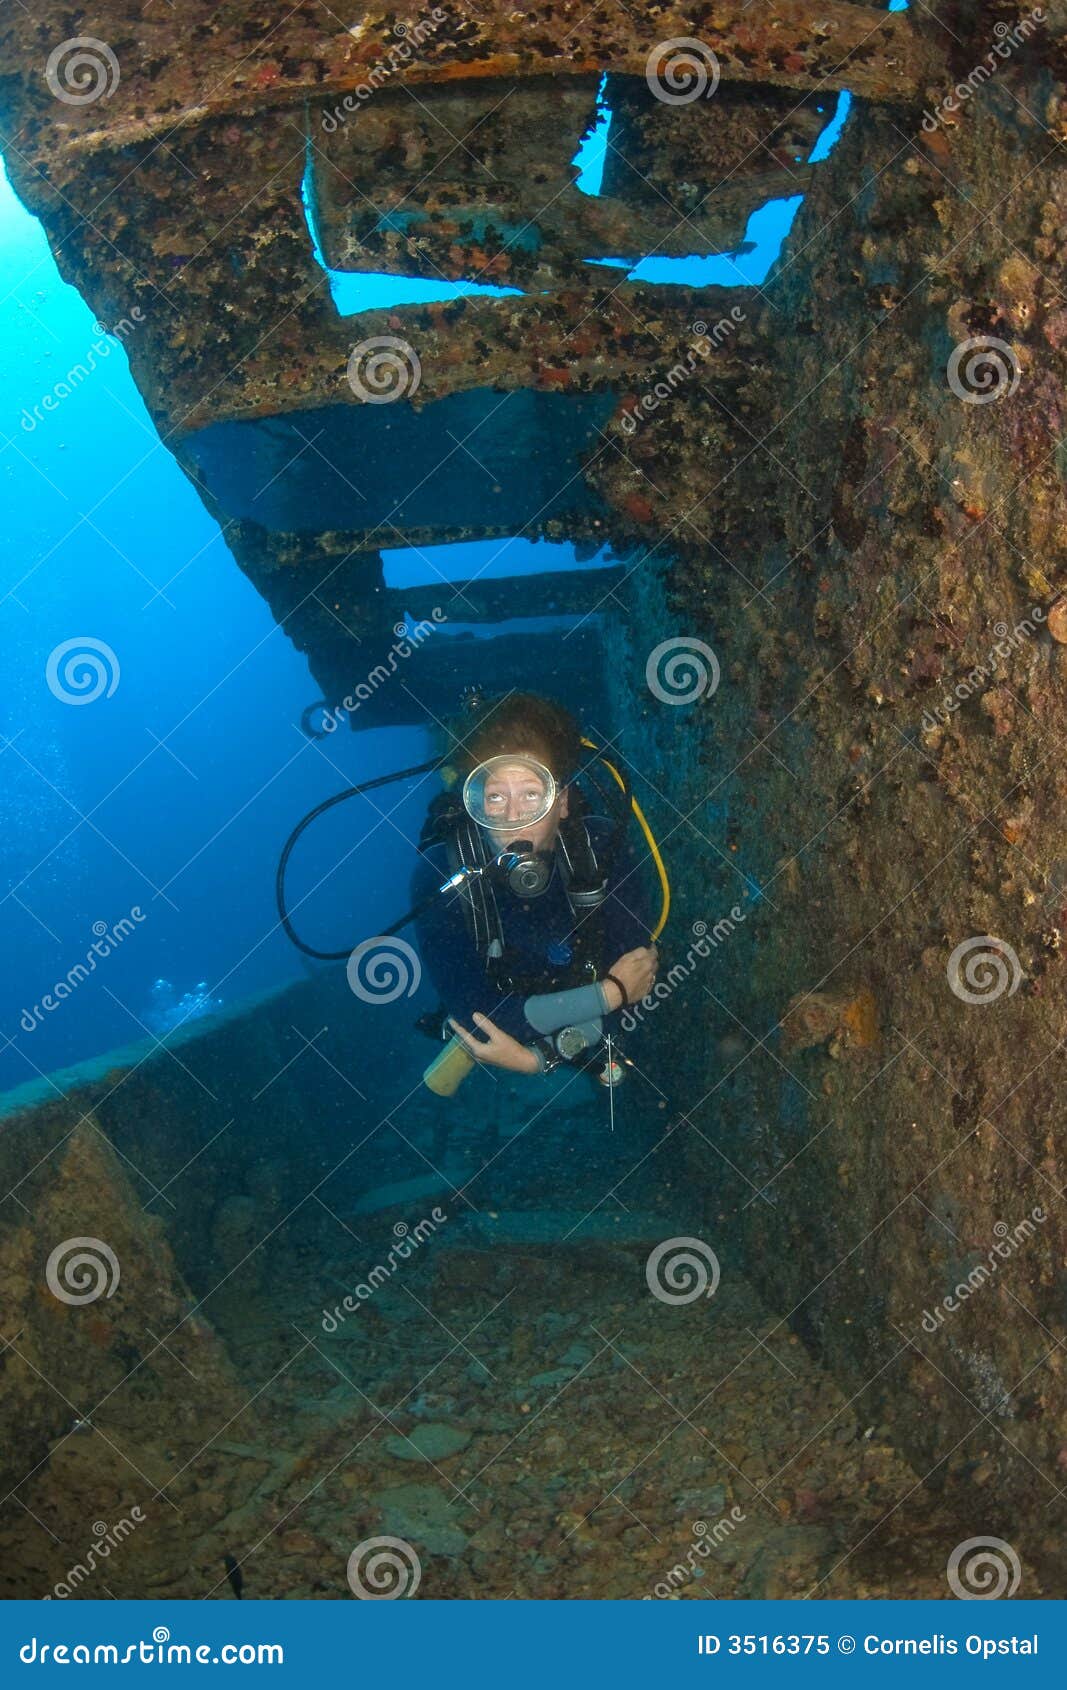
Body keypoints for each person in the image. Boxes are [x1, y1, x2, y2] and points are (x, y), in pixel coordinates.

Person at [413, 693, 659, 1078]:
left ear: (560, 803)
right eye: (495, 798)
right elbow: (479, 1018)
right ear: (473, 805)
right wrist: (608, 994)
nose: (513, 818)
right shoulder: (439, 876)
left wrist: (541, 1057)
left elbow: (641, 977)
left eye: (531, 794)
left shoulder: (600, 850)